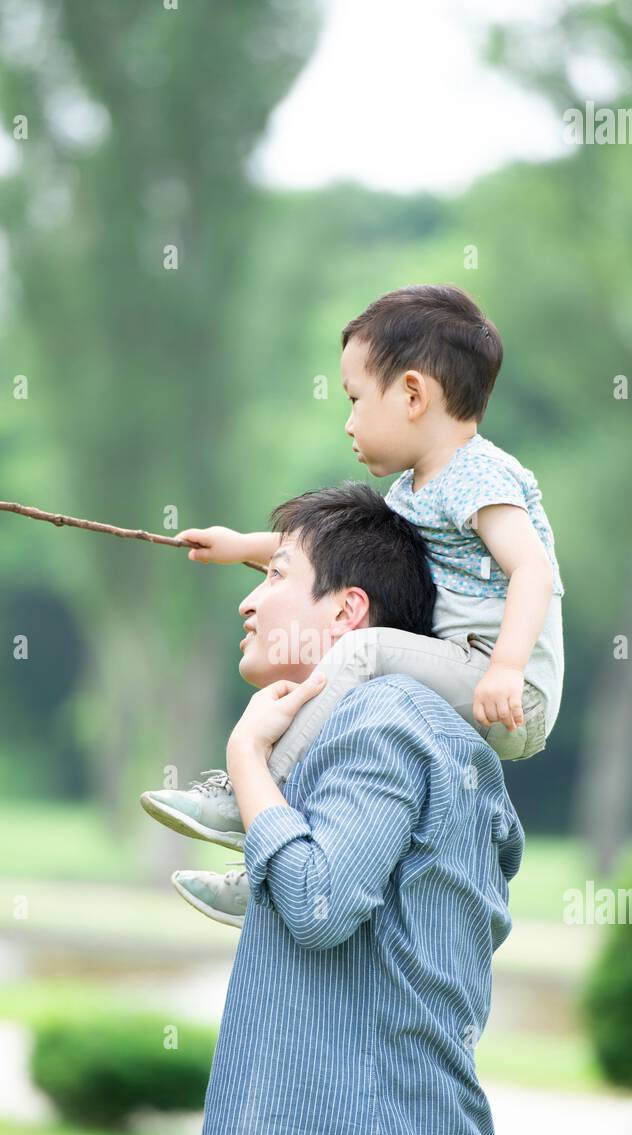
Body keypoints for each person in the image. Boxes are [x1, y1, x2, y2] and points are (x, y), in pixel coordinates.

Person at [184, 483, 523, 1135]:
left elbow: (318, 904)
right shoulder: (409, 724)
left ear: (346, 616)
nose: (248, 601)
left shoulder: (381, 719)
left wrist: (245, 763)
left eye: (276, 576)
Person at [141, 282, 562, 929]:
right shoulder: (414, 491)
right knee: (346, 704)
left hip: (505, 686)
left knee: (359, 651)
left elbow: (531, 568)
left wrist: (507, 668)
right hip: (462, 669)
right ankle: (263, 874)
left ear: (414, 395)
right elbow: (333, 552)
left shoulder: (480, 476)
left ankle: (254, 795)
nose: (348, 422)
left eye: (355, 399)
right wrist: (237, 547)